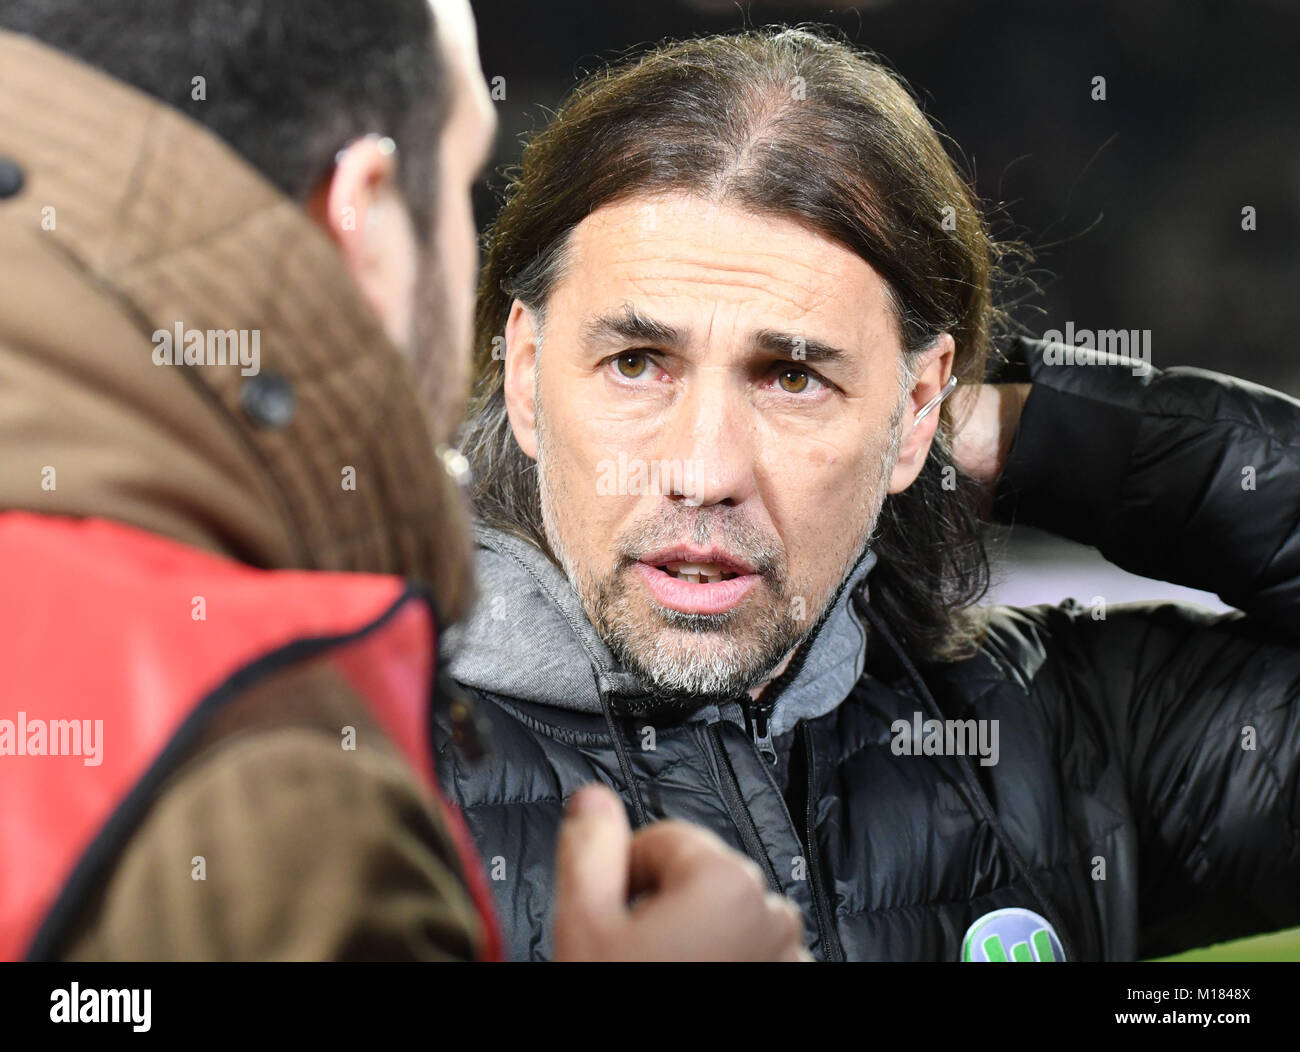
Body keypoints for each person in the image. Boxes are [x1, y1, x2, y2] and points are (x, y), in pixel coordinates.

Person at [442, 26, 1300, 960]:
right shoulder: (357, 788)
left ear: (919, 405)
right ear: (525, 375)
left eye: (793, 378)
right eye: (638, 363)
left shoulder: (1053, 736)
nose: (703, 473)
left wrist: (1029, 433)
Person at [0, 0, 806, 963]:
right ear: (367, 216)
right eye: (461, 184)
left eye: (794, 377)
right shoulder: (270, 788)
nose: (703, 472)